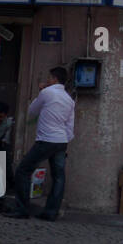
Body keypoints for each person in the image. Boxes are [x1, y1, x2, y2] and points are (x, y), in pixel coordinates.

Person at [7, 67, 74, 221]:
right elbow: (70, 126)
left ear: (54, 79)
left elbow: (32, 111)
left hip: (46, 139)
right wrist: (64, 140)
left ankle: (22, 209)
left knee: (23, 171)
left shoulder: (47, 93)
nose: (47, 81)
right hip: (61, 140)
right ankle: (51, 212)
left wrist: (40, 92)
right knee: (58, 177)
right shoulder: (69, 99)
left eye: (49, 78)